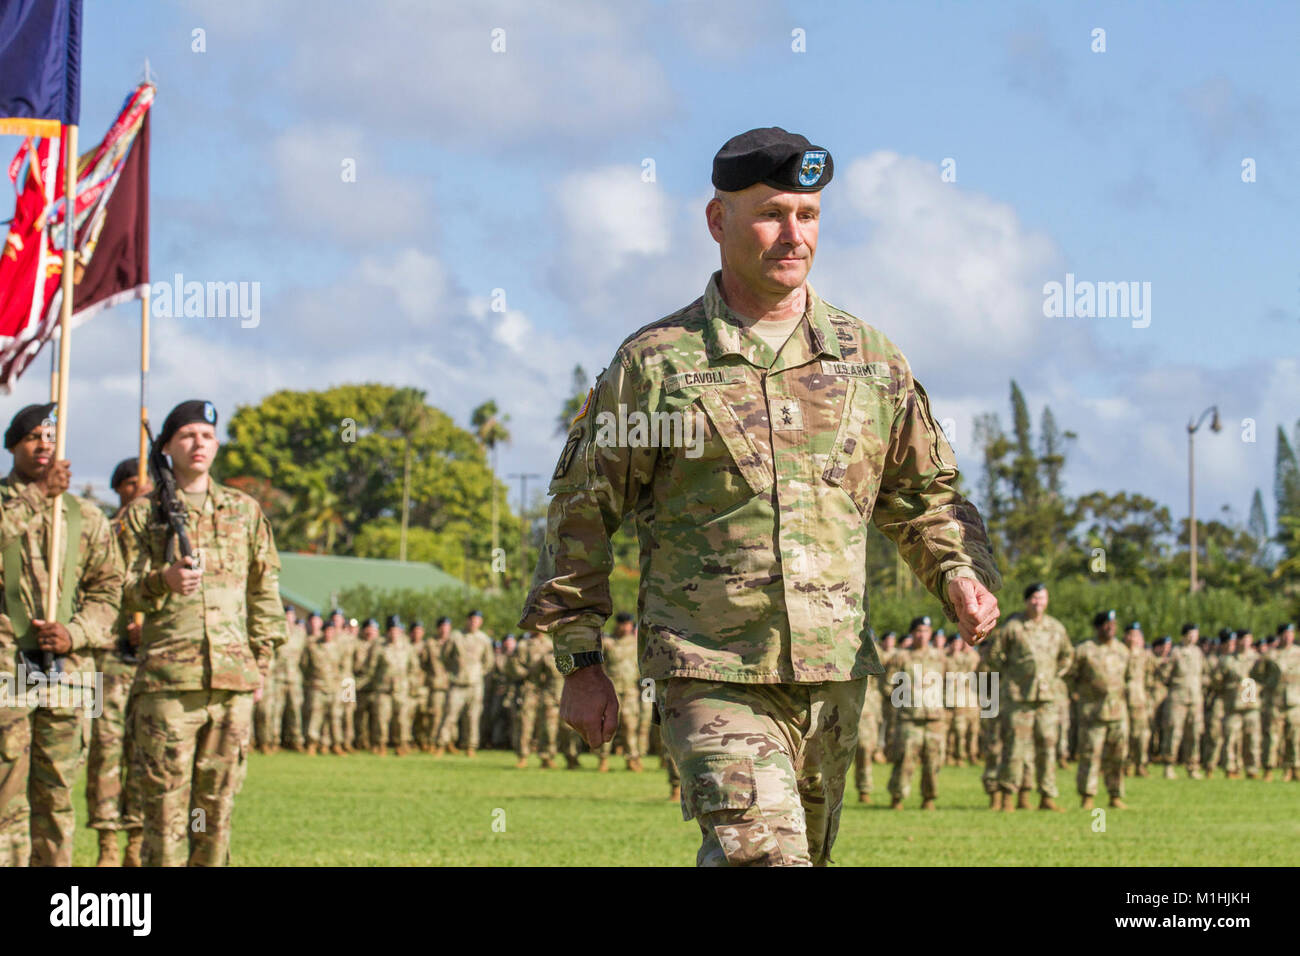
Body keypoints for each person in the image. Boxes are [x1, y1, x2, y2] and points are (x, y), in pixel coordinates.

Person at [518, 127, 1001, 866]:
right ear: (719, 221)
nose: (793, 235)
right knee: (766, 859)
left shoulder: (871, 361)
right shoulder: (656, 363)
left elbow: (922, 495)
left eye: (808, 216)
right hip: (710, 668)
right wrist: (579, 660)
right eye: (773, 213)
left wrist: (960, 573)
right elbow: (583, 508)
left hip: (834, 673)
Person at [120, 399, 286, 866]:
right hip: (168, 685)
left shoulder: (243, 510)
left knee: (216, 815)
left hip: (232, 684)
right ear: (168, 446)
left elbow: (265, 593)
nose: (199, 444)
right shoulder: (142, 514)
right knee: (165, 816)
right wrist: (162, 581)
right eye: (188, 435)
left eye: (208, 436)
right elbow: (117, 590)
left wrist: (261, 666)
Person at [0, 404, 123, 867]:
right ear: (13, 445)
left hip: (69, 672)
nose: (43, 444)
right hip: (6, 665)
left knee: (56, 797)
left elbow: (110, 593)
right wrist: (35, 496)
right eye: (31, 436)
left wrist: (74, 633)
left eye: (50, 436)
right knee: (5, 794)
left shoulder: (87, 518)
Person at [88, 457, 152, 866]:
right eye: (130, 484)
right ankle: (108, 844)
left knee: (145, 752)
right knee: (105, 751)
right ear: (118, 490)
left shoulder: (160, 534)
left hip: (150, 660)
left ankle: (136, 841)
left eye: (143, 483)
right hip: (108, 660)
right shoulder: (105, 533)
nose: (138, 490)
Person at [987, 583, 1072, 812]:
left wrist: (1055, 676)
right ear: (1026, 601)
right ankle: (1007, 796)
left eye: (1042, 598)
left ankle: (1046, 796)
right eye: (1034, 598)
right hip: (1019, 698)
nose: (1038, 603)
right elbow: (993, 653)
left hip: (1046, 699)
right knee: (1015, 748)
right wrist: (1011, 675)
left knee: (1046, 746)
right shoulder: (1013, 627)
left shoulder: (1056, 628)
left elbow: (1067, 656)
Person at [1067, 610, 1130, 810]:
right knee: (1090, 756)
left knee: (1117, 757)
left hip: (1118, 713)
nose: (1110, 627)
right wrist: (1077, 696)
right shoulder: (1085, 650)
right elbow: (1070, 675)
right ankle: (1087, 797)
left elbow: (1126, 679)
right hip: (1092, 713)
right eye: (1105, 624)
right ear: (1097, 627)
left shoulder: (1122, 650)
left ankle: (1115, 795)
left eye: (1113, 623)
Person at [887, 622, 952, 810]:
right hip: (909, 718)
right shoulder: (902, 657)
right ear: (912, 633)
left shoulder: (940, 657)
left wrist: (946, 705)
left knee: (933, 761)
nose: (921, 635)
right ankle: (897, 797)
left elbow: (949, 682)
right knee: (905, 758)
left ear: (930, 634)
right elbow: (888, 683)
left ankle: (928, 798)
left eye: (925, 631)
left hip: (935, 718)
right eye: (917, 631)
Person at [434, 611, 494, 757]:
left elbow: (488, 661)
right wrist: (454, 671)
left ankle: (470, 746)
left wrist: (478, 672)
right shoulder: (456, 636)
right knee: (450, 715)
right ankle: (441, 745)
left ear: (480, 622)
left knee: (473, 717)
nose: (474, 623)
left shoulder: (484, 639)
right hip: (457, 683)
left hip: (475, 684)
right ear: (467, 621)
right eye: (472, 620)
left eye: (477, 620)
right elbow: (445, 656)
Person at [599, 612, 643, 772]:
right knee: (607, 725)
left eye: (629, 624)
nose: (626, 627)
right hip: (612, 691)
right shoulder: (607, 643)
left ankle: (632, 759)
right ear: (617, 624)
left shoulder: (637, 643)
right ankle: (603, 758)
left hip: (630, 691)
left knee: (630, 727)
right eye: (623, 624)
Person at [1161, 623, 1205, 779]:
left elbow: (1203, 674)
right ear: (1184, 635)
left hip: (1195, 699)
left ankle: (1192, 766)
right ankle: (1169, 765)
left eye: (1196, 634)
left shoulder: (1198, 653)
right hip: (1178, 699)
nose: (1194, 637)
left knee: (1194, 734)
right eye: (1191, 634)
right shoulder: (1176, 652)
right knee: (1174, 732)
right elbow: (1165, 674)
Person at [1257, 623, 1298, 780]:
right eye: (1286, 633)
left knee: (1294, 738)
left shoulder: (1298, 653)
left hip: (1294, 702)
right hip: (1275, 702)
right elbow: (1256, 675)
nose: (1288, 637)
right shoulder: (1270, 655)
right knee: (1272, 737)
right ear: (1279, 635)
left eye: (1291, 633)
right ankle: (1269, 769)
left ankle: (1293, 768)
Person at [1220, 629, 1262, 779]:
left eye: (1248, 639)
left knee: (1253, 739)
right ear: (1237, 641)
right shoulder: (1228, 660)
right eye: (1242, 639)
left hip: (1251, 705)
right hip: (1234, 705)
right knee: (1231, 738)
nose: (1245, 642)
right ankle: (1231, 768)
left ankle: (1252, 769)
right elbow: (1218, 681)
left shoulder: (1258, 659)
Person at [303, 618, 345, 755]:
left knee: (335, 717)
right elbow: (304, 666)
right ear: (323, 632)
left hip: (334, 688)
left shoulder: (339, 648)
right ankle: (312, 744)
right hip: (317, 687)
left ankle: (336, 744)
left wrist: (342, 688)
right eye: (326, 630)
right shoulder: (313, 646)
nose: (329, 633)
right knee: (315, 717)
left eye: (331, 631)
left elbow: (344, 667)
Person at [1123, 624, 1152, 777]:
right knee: (1124, 734)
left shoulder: (1145, 656)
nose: (1132, 638)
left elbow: (1151, 679)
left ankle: (1140, 764)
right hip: (1121, 700)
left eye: (1136, 635)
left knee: (1141, 734)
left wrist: (1150, 699)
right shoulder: (1119, 653)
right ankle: (1126, 764)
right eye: (1130, 635)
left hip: (1140, 700)